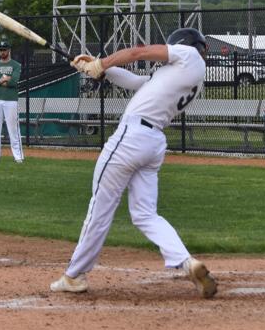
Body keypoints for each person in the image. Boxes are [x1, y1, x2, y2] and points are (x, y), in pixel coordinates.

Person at [50, 28, 217, 299]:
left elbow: (138, 52)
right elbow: (136, 82)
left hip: (131, 138)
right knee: (145, 214)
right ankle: (187, 262)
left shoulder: (188, 56)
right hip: (153, 144)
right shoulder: (185, 78)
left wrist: (102, 63)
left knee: (100, 207)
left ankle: (74, 275)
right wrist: (95, 66)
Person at [0, 39, 24, 163]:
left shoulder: (16, 65)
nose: (2, 52)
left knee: (13, 129)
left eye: (5, 49)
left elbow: (14, 82)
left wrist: (1, 81)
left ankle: (18, 157)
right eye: (1, 50)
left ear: (9, 50)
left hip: (11, 100)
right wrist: (2, 80)